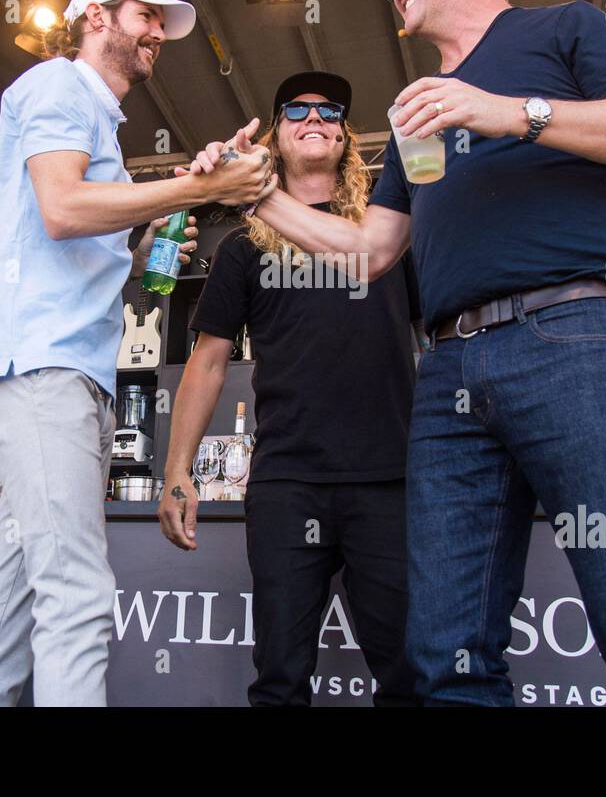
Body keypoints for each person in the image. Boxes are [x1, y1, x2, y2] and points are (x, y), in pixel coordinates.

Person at [188, 0, 606, 706]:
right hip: (450, 376)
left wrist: (510, 112)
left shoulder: (564, 28)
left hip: (571, 336)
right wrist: (252, 193)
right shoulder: (417, 107)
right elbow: (370, 252)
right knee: (445, 654)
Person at [0, 0, 272, 707]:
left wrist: (158, 228)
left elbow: (104, 263)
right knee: (78, 595)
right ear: (95, 16)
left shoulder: (102, 133)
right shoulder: (59, 85)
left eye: (160, 22)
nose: (157, 32)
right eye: (145, 16)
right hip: (38, 367)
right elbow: (61, 209)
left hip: (69, 373)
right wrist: (197, 192)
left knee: (11, 611)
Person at [158, 72, 421, 706]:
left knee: (411, 673)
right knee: (280, 676)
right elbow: (208, 361)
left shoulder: (388, 234)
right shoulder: (245, 247)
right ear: (277, 132)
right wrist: (177, 470)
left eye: (330, 111)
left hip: (389, 478)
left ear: (345, 136)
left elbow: (436, 340)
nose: (314, 118)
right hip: (287, 483)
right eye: (297, 110)